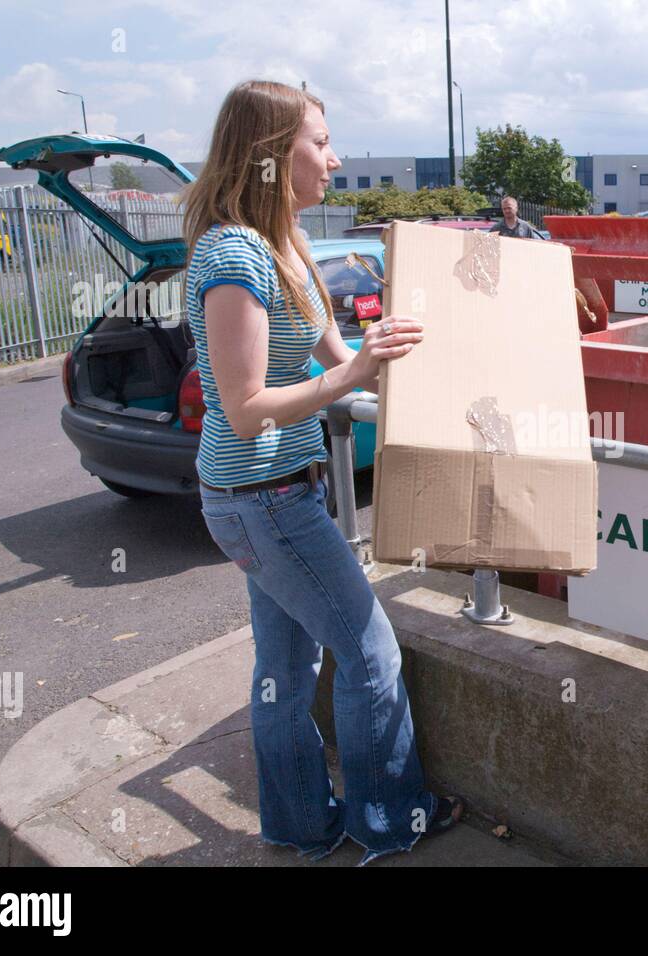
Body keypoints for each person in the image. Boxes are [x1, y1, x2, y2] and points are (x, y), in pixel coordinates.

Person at [182, 79, 462, 865]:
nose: (335, 158)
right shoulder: (234, 252)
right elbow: (243, 408)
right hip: (261, 499)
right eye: (320, 141)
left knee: (285, 667)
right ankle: (385, 820)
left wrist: (411, 365)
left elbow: (337, 358)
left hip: (272, 496)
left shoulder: (289, 244)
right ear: (273, 154)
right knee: (371, 656)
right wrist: (354, 374)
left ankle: (301, 826)